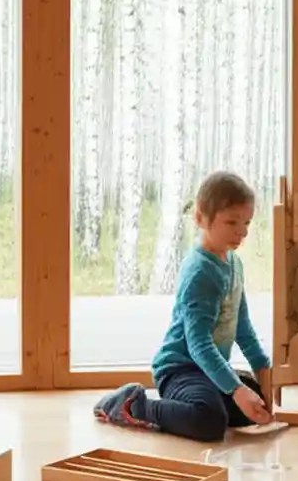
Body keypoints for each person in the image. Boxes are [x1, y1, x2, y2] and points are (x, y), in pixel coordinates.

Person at [93, 171, 274, 442]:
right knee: (209, 423)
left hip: (208, 370)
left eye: (246, 222)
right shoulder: (199, 271)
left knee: (255, 404)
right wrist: (236, 390)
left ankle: (216, 398)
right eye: (232, 222)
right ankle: (135, 405)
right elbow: (198, 345)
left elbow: (243, 327)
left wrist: (263, 371)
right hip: (181, 369)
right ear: (201, 218)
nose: (242, 231)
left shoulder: (234, 264)